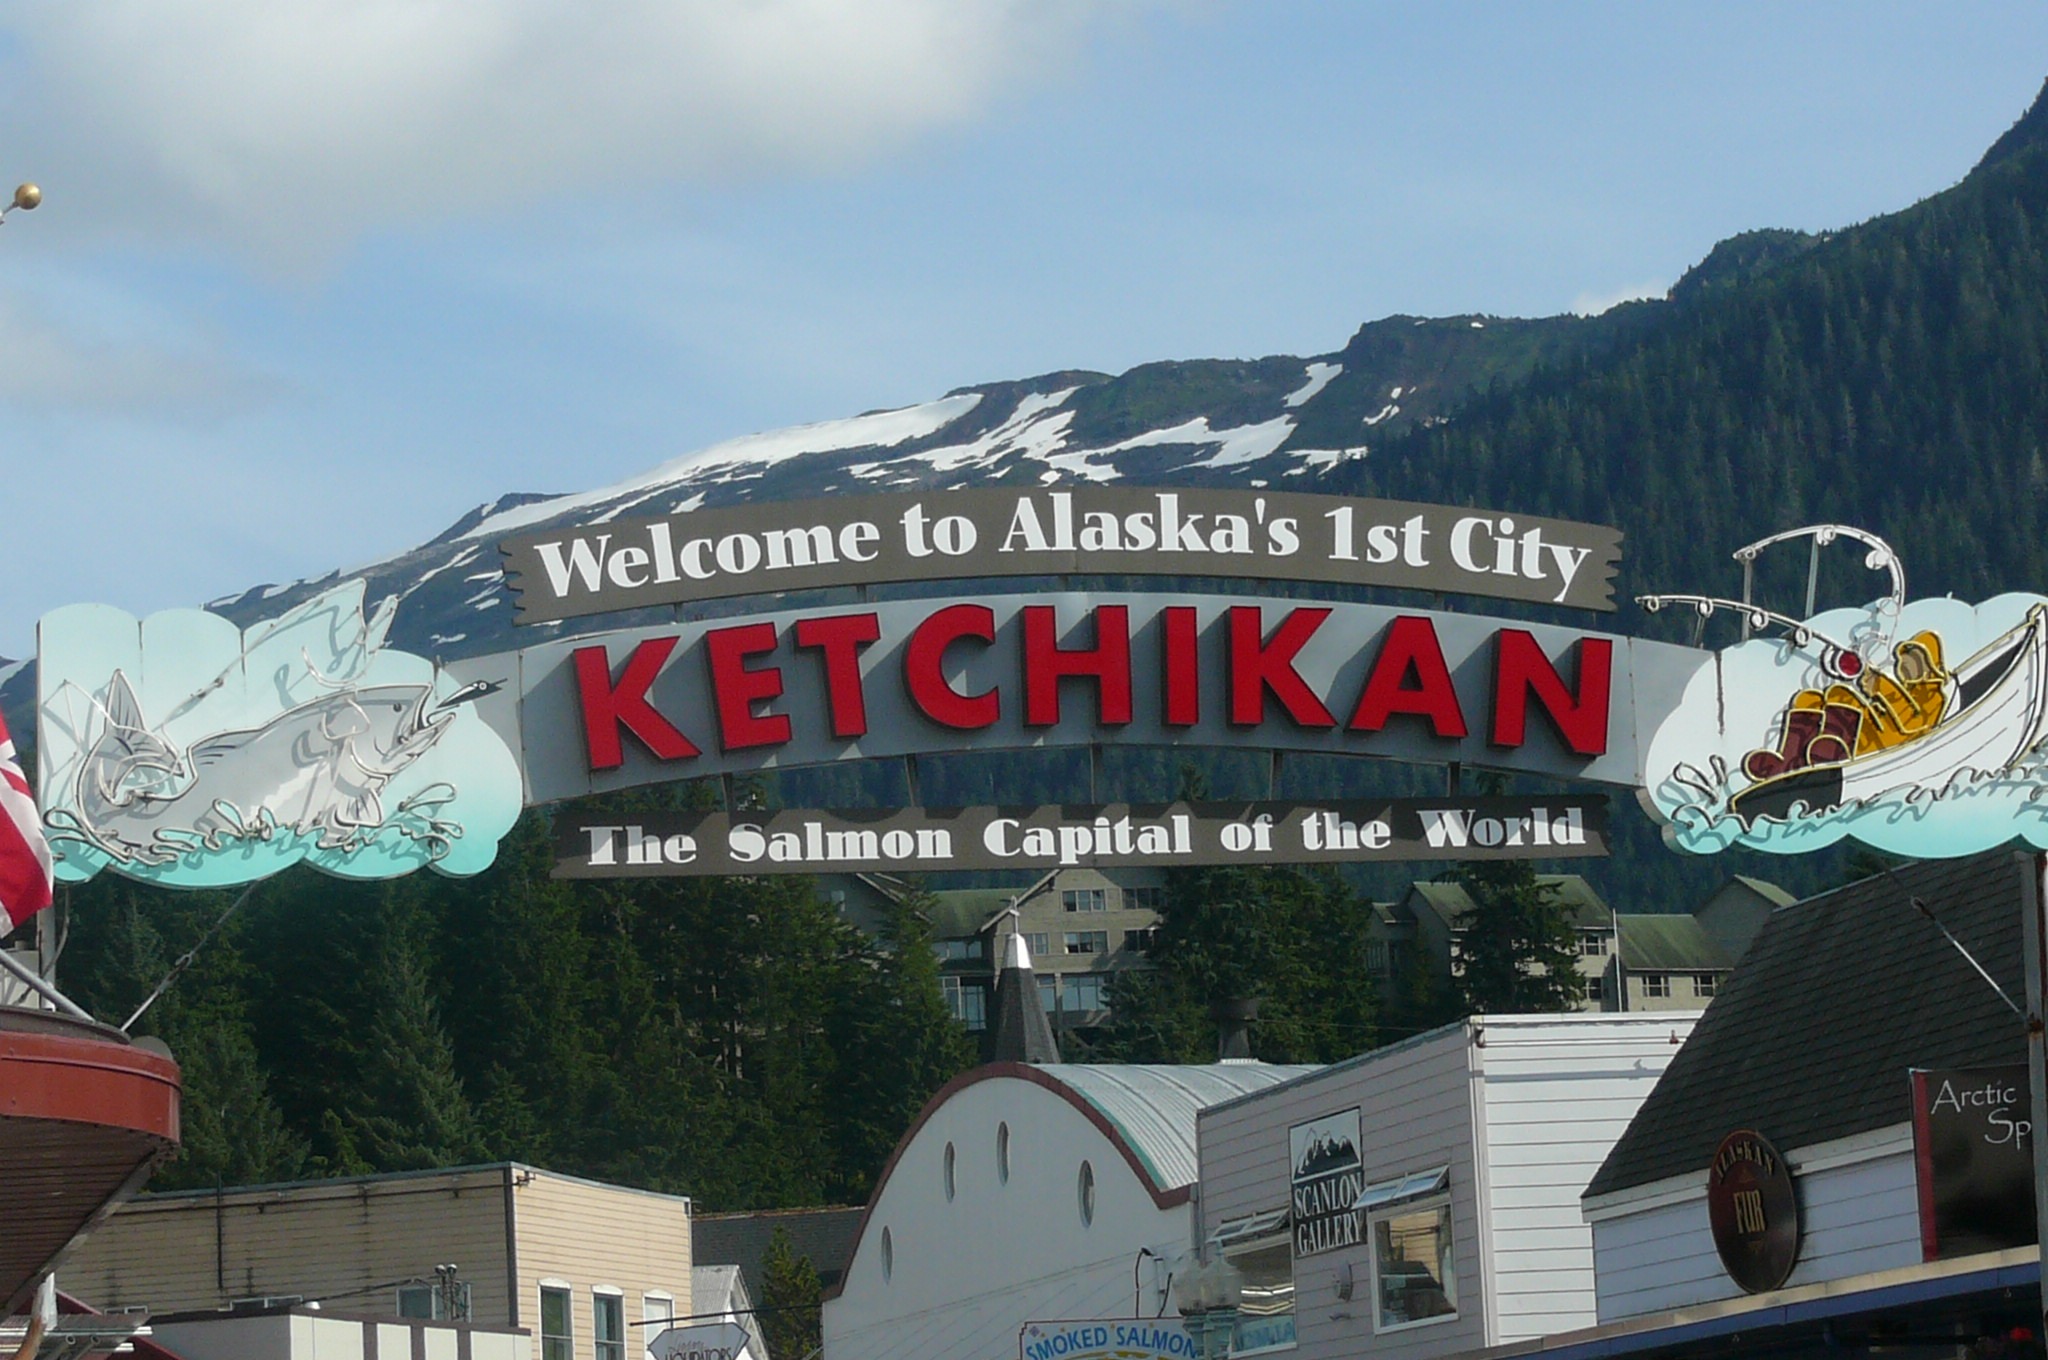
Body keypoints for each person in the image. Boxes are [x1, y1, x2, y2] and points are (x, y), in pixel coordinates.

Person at [1741, 631, 1948, 782]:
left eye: (1913, 659)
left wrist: (1880, 686)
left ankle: (1832, 751)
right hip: (1876, 732)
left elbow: (1913, 725)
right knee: (1810, 698)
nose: (1904, 664)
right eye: (1905, 658)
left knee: (1841, 695)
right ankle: (1789, 759)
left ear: (1929, 665)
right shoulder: (1906, 690)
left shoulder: (1934, 696)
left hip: (1886, 745)